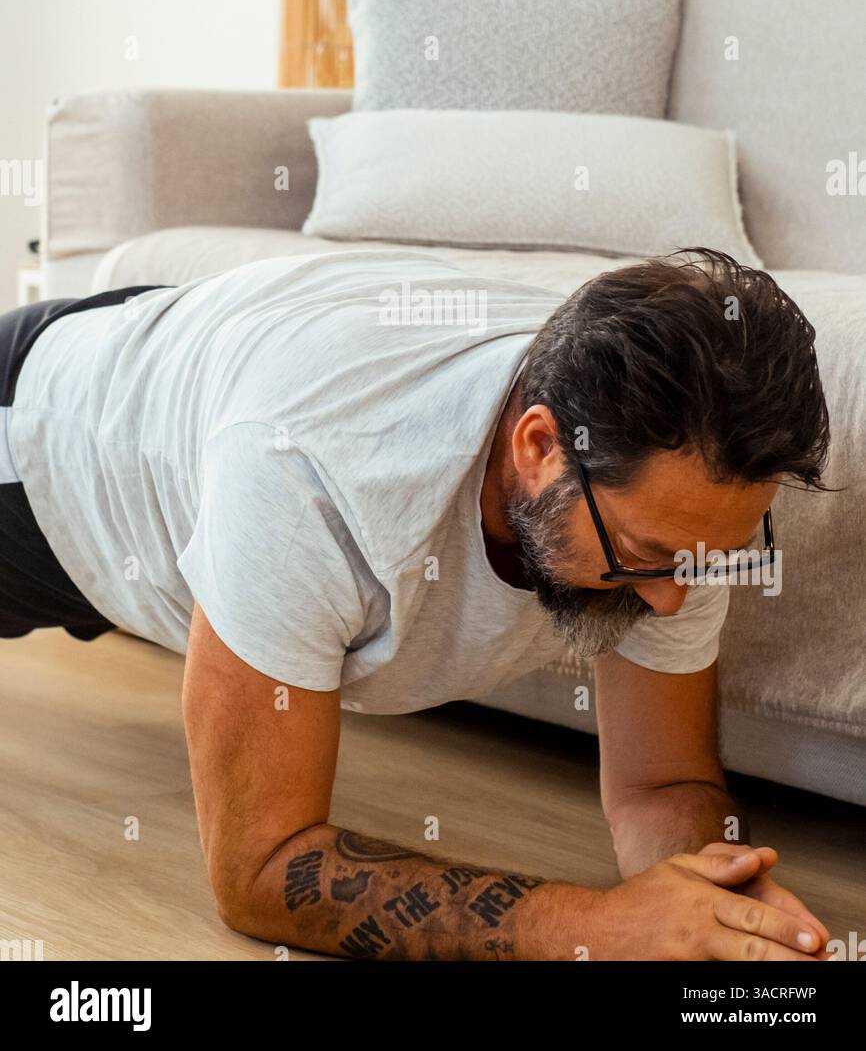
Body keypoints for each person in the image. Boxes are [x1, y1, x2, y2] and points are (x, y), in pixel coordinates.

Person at [0, 246, 833, 960]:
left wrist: (727, 915)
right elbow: (259, 870)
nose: (673, 597)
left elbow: (661, 783)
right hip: (50, 432)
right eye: (644, 557)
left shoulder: (672, 497)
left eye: (711, 559)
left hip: (211, 364)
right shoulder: (306, 472)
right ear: (538, 448)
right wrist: (597, 929)